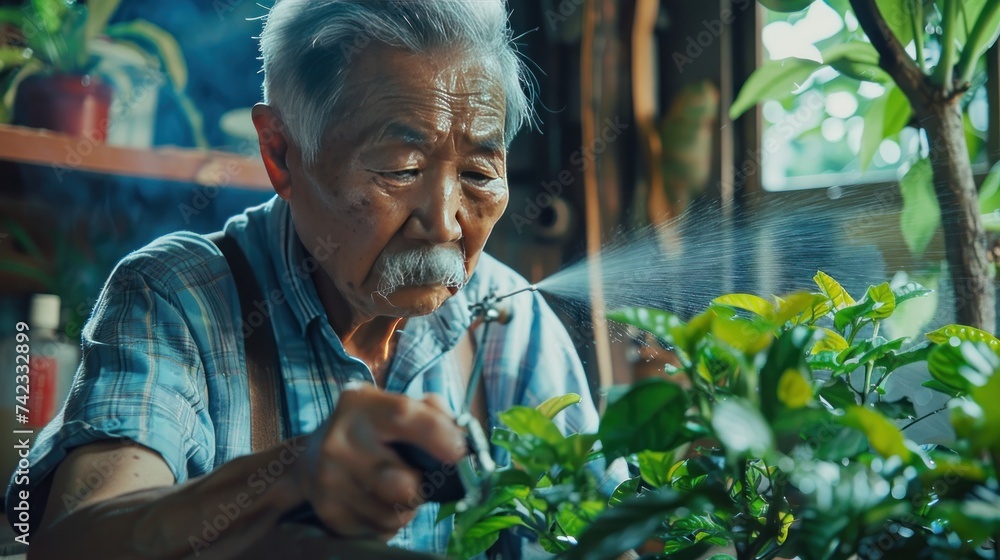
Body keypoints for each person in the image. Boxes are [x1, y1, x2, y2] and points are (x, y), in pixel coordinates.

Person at [5, 1, 615, 557]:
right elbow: (74, 540)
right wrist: (289, 482)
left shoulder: (515, 324)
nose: (444, 221)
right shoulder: (178, 300)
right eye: (400, 169)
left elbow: (601, 533)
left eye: (480, 175)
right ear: (280, 152)